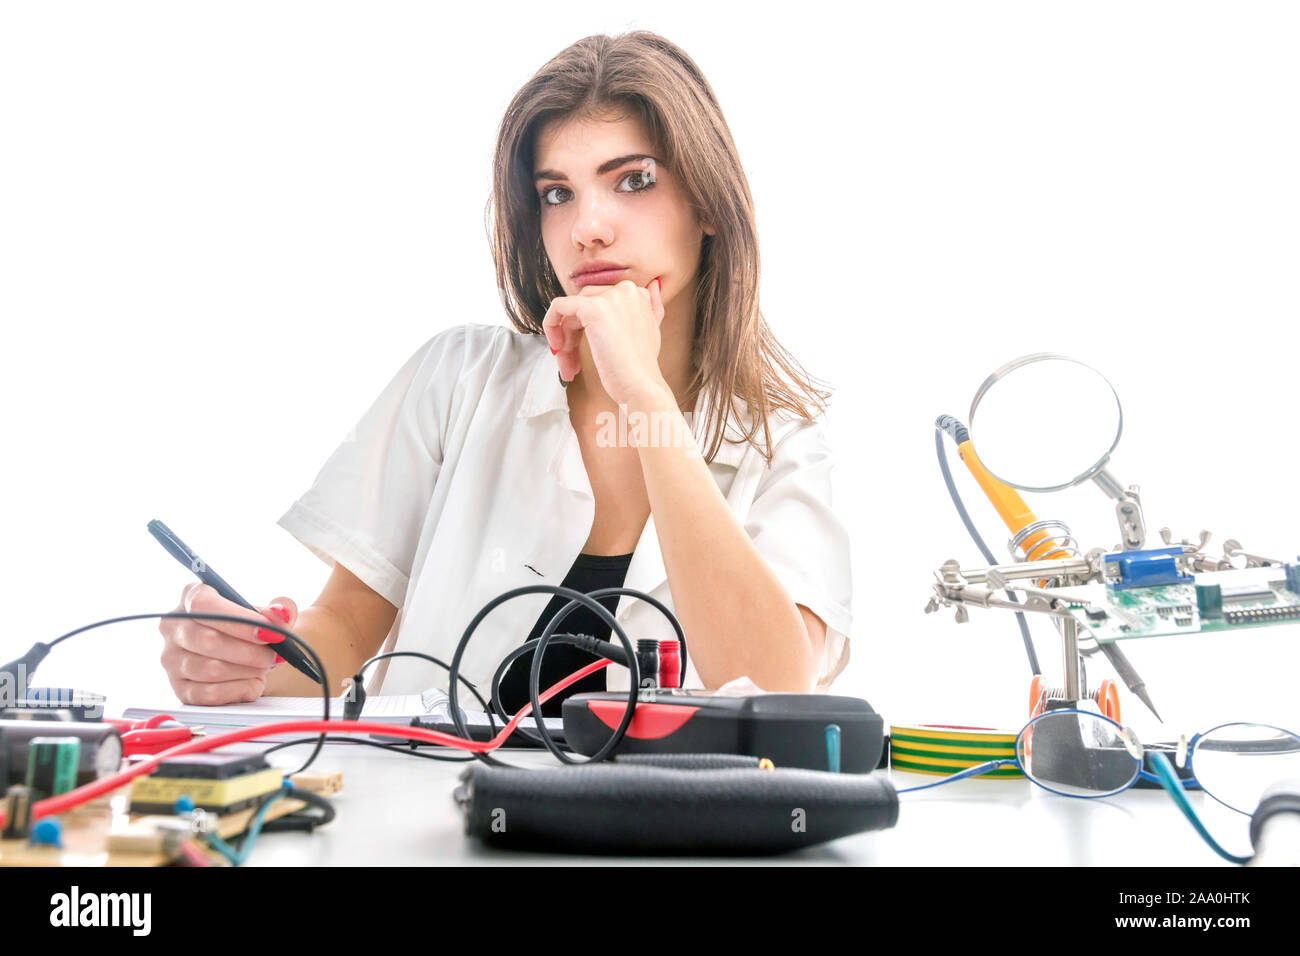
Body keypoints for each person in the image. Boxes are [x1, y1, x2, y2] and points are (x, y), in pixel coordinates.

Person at [158, 30, 854, 713]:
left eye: (633, 181)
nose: (588, 227)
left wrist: (644, 395)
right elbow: (339, 634)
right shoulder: (457, 379)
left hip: (660, 828)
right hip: (440, 819)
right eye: (558, 193)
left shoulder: (782, 441)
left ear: (706, 202)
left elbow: (778, 690)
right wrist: (249, 664)